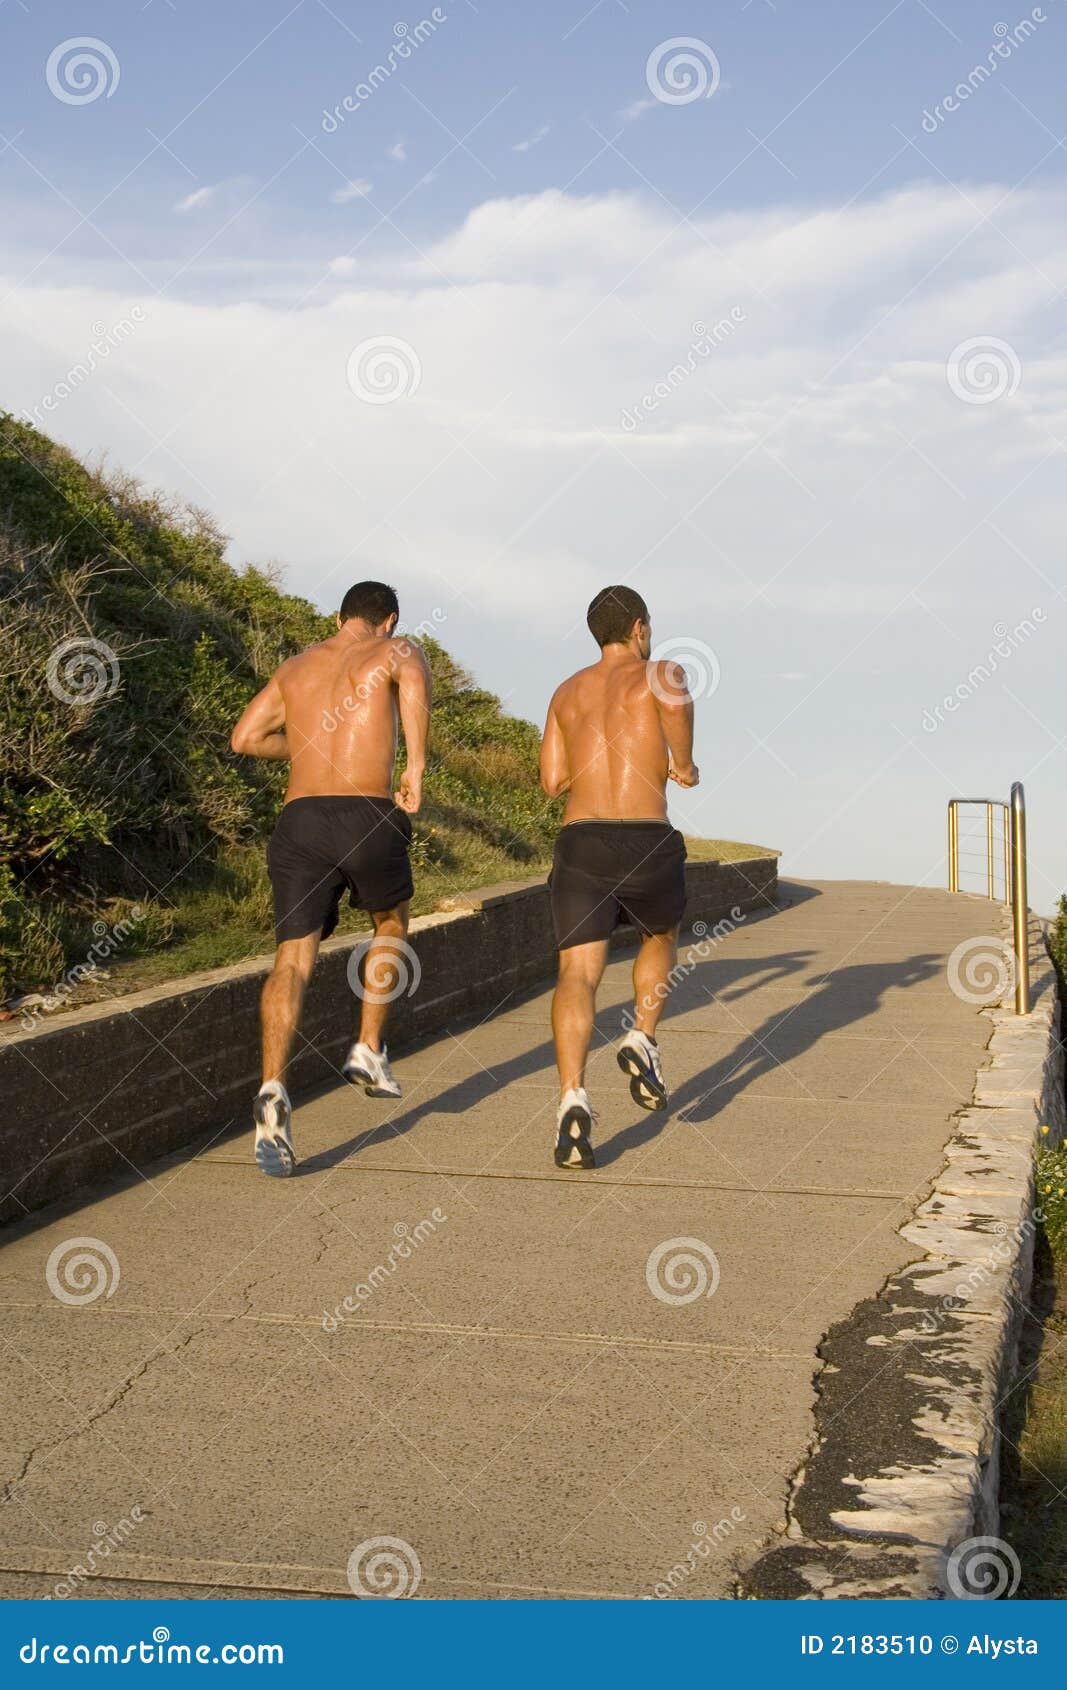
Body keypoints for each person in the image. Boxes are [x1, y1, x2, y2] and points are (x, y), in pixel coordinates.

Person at [230, 581, 431, 1177]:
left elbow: (244, 738)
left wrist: (309, 742)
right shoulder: (398, 652)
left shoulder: (295, 667)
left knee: (292, 959)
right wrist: (415, 766)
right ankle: (368, 1049)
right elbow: (415, 690)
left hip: (301, 819)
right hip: (367, 812)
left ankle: (271, 1089)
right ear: (388, 620)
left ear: (340, 617)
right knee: (391, 922)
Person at [539, 585, 699, 1169]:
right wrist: (682, 764)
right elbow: (677, 710)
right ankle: (642, 1036)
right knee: (660, 935)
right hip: (645, 834)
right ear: (638, 628)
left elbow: (551, 781)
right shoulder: (663, 673)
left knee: (577, 972)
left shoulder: (566, 691)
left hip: (581, 839)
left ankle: (572, 1098)